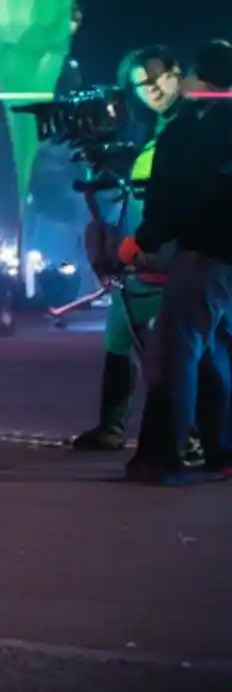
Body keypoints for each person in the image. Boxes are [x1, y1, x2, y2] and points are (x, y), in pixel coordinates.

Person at [121, 39, 232, 484]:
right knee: (216, 352)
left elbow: (193, 192)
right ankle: (222, 451)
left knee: (175, 351)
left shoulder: (209, 125)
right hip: (220, 254)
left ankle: (162, 455)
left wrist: (143, 238)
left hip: (207, 251)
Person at [71, 47, 187, 452]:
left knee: (180, 353)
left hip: (177, 257)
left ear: (177, 72)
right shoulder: (151, 132)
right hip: (139, 258)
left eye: (159, 77)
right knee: (119, 340)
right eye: (142, 83)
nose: (153, 88)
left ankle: (188, 437)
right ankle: (112, 427)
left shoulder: (193, 125)